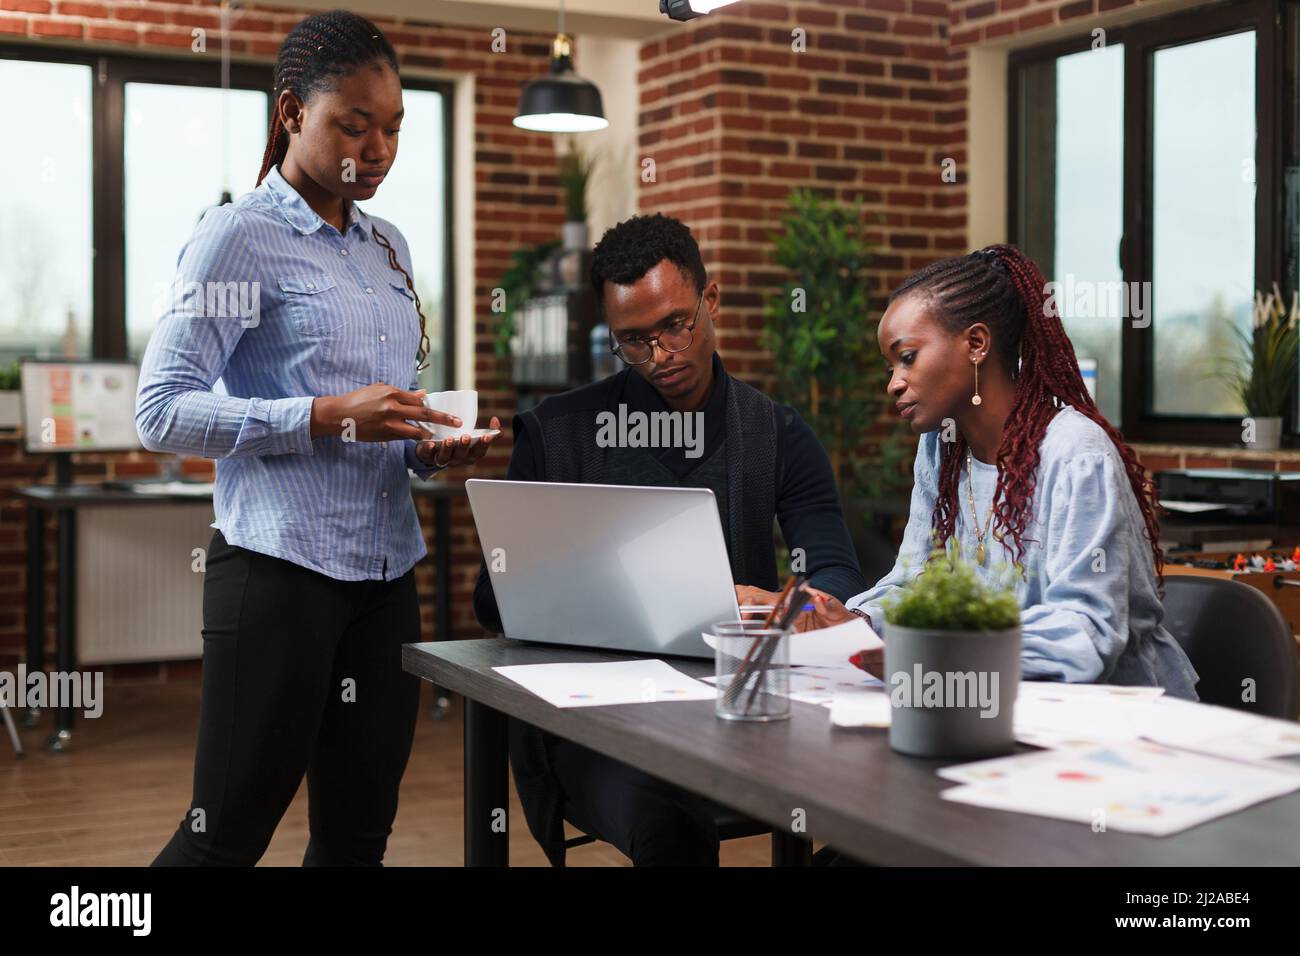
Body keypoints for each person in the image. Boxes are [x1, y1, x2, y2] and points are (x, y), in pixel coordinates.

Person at [137, 11, 499, 866]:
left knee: (357, 834)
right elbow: (159, 410)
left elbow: (382, 416)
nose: (377, 149)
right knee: (225, 834)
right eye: (355, 124)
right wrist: (325, 415)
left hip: (383, 576)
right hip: (276, 577)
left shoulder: (388, 249)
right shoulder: (239, 239)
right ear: (294, 112)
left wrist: (426, 442)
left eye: (395, 127)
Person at [473, 213, 867, 865]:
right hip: (598, 726)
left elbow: (835, 578)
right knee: (669, 824)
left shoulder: (777, 435)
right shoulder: (557, 433)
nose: (661, 355)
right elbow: (494, 598)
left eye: (675, 325)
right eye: (633, 340)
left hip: (744, 712)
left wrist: (786, 607)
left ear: (710, 301)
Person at [801, 244, 1198, 700]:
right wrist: (854, 621)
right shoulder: (942, 449)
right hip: (1001, 701)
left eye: (906, 357)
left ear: (975, 344)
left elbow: (1087, 634)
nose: (893, 383)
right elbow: (916, 580)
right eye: (890, 366)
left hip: (1128, 718)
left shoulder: (1076, 453)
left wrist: (939, 652)